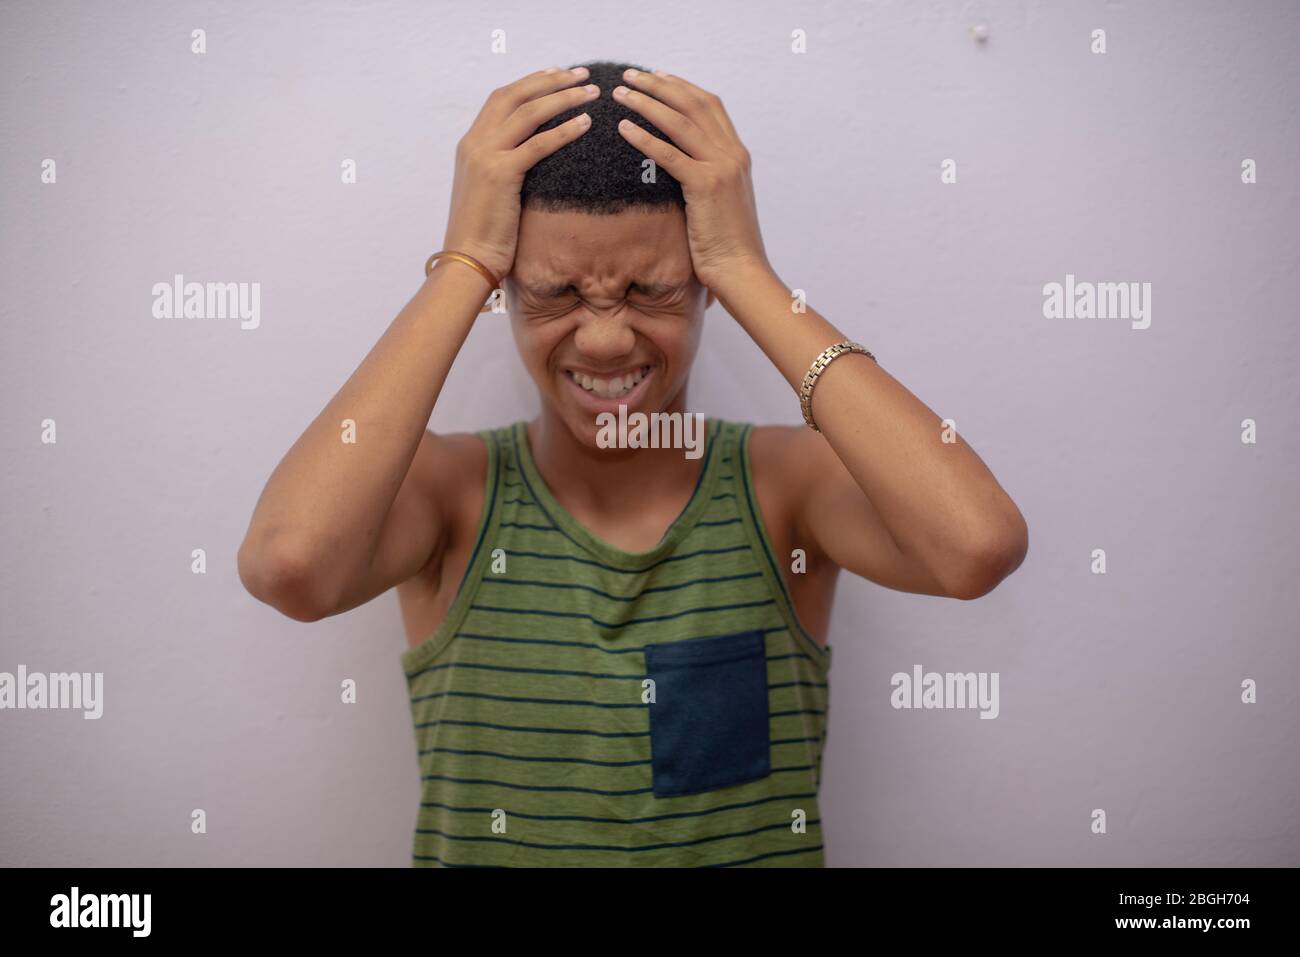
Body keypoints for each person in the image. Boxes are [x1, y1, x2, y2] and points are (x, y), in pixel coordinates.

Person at [237, 60, 1029, 867]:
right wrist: (466, 262)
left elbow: (975, 544)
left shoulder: (784, 490)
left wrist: (746, 268)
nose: (606, 337)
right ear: (504, 291)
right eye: (553, 292)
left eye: (653, 290)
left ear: (706, 288)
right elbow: (290, 563)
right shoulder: (453, 501)